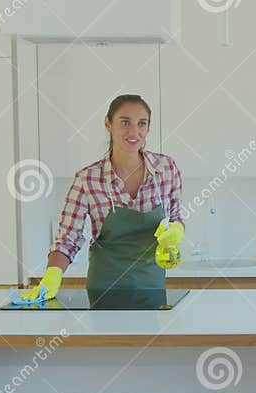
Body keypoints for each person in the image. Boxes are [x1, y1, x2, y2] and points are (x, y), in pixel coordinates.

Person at [22, 94, 184, 302]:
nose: (134, 131)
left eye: (141, 124)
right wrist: (52, 276)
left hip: (152, 288)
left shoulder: (166, 169)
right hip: (103, 291)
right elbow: (67, 238)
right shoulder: (88, 179)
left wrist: (177, 230)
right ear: (108, 124)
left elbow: (176, 216)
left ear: (148, 128)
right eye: (125, 122)